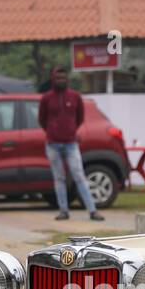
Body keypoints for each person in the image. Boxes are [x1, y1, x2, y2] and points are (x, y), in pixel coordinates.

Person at [37, 67, 103, 222]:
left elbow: (80, 118)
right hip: (53, 144)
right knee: (59, 178)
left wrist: (70, 131)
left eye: (63, 78)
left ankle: (92, 210)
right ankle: (63, 210)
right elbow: (42, 119)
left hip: (71, 144)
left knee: (79, 175)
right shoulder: (46, 98)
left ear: (67, 80)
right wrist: (52, 131)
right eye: (57, 78)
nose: (61, 80)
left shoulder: (75, 97)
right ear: (53, 80)